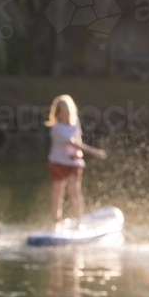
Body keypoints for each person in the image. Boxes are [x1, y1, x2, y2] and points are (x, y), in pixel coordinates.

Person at [45, 95, 106, 229]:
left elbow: (78, 140)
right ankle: (55, 222)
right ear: (58, 113)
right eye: (63, 112)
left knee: (75, 192)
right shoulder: (57, 128)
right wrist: (94, 151)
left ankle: (79, 222)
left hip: (73, 163)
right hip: (58, 163)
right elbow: (73, 144)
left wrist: (78, 155)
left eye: (68, 111)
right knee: (57, 193)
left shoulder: (75, 122)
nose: (66, 115)